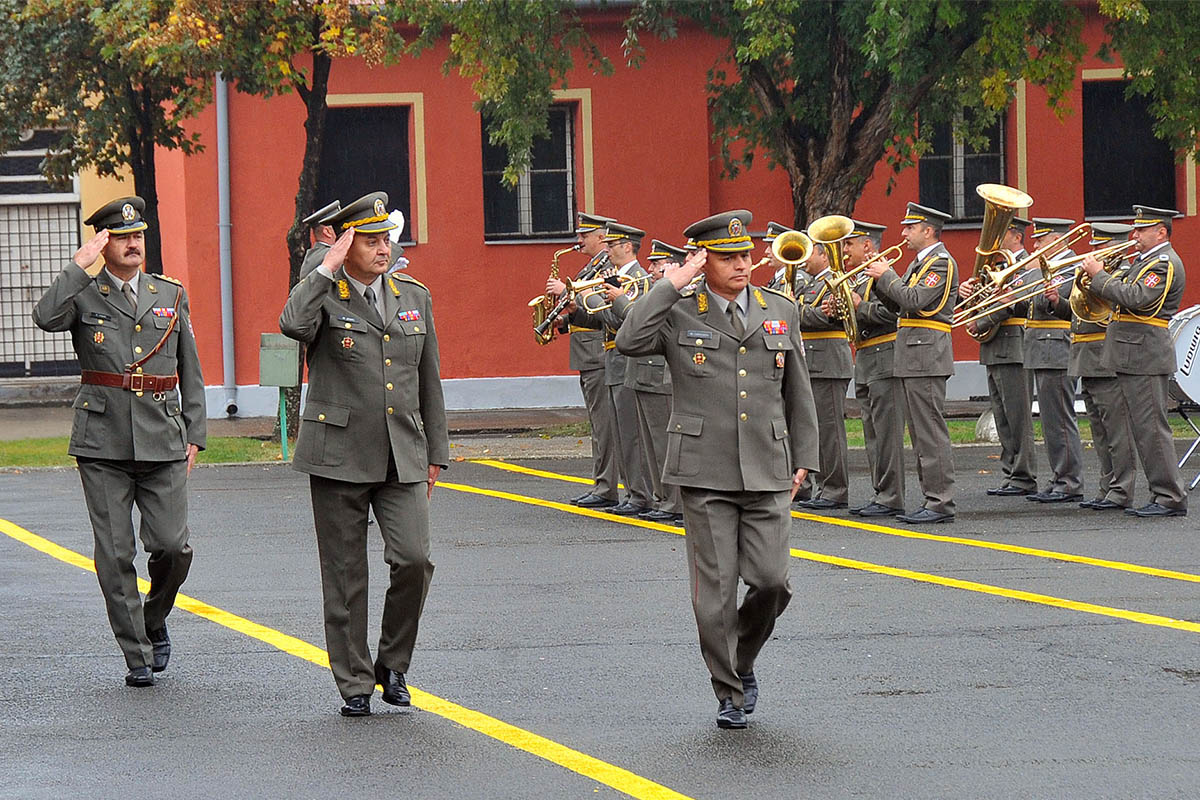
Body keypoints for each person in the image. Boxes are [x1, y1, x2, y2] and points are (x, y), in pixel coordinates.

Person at [616, 210, 819, 730]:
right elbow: (629, 340)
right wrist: (670, 284)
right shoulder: (681, 310)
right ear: (704, 261)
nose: (741, 265)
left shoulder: (780, 310)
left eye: (746, 256)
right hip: (704, 470)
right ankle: (728, 690)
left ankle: (743, 660)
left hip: (768, 466)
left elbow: (798, 389)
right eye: (728, 258)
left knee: (773, 583)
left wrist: (806, 458)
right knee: (715, 592)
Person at [280, 191, 450, 715]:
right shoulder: (324, 294)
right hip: (338, 452)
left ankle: (393, 663)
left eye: (387, 239)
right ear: (347, 244)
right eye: (371, 241)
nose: (383, 250)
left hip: (403, 452)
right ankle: (354, 682)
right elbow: (292, 325)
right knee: (346, 575)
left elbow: (429, 378)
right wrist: (325, 269)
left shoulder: (413, 296)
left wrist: (435, 452)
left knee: (415, 560)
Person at [32, 196, 206, 687]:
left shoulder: (169, 294)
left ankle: (153, 619)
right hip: (102, 441)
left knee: (174, 547)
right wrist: (76, 267)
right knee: (114, 552)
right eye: (122, 237)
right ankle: (137, 652)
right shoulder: (83, 293)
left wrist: (195, 431)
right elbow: (44, 317)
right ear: (104, 243)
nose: (134, 245)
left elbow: (188, 366)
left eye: (138, 236)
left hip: (162, 435)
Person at [1080, 205, 1187, 517]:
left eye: (1142, 229)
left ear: (1161, 232)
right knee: (1141, 429)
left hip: (1145, 353)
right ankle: (1159, 494)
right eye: (1135, 228)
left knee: (1152, 428)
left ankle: (1169, 496)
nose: (1134, 234)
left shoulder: (1163, 263)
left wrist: (1099, 275)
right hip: (1131, 353)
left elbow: (1138, 298)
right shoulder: (1143, 261)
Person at [865, 202, 958, 524]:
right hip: (913, 353)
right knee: (920, 434)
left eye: (910, 228)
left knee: (930, 431)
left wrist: (886, 275)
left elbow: (916, 300)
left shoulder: (940, 263)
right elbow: (898, 306)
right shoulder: (920, 263)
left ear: (927, 230)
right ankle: (932, 498)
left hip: (926, 354)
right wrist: (880, 282)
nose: (903, 233)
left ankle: (940, 501)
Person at [1046, 222, 1136, 511]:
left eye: (1100, 246)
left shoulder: (1119, 275)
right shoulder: (1095, 277)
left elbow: (1113, 305)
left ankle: (1122, 490)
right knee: (1099, 430)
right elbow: (1079, 317)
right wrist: (1056, 302)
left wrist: (1098, 275)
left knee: (1117, 430)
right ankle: (1107, 486)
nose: (1094, 252)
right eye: (1094, 246)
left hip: (1106, 359)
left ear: (1115, 247)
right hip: (1086, 358)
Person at [574, 221, 654, 516]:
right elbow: (605, 319)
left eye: (611, 245)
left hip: (626, 358)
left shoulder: (638, 280)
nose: (605, 250)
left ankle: (640, 494)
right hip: (613, 358)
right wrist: (579, 309)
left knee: (631, 433)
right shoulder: (618, 277)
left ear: (627, 247)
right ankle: (632, 491)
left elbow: (627, 321)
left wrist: (591, 298)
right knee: (621, 433)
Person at [960, 216, 1038, 497]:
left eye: (1001, 234)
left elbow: (1016, 302)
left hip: (1014, 344)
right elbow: (982, 301)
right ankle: (1011, 473)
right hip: (994, 345)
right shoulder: (996, 265)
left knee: (1018, 417)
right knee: (1002, 417)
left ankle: (1024, 475)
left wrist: (980, 321)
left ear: (1016, 237)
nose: (993, 239)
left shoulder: (1028, 265)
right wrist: (965, 294)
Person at [550, 212, 620, 509]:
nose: (578, 241)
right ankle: (602, 484)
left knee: (605, 426)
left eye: (584, 236)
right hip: (587, 352)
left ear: (600, 238)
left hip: (598, 353)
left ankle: (607, 488)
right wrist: (564, 320)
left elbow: (605, 310)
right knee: (598, 424)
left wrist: (566, 293)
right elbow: (586, 311)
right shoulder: (590, 267)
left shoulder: (607, 268)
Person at [839, 221, 906, 517]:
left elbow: (893, 313)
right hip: (866, 358)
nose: (843, 251)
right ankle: (882, 492)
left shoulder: (885, 275)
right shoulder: (859, 278)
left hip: (885, 355)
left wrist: (858, 305)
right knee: (872, 432)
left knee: (886, 433)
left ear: (867, 245)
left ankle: (892, 496)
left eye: (848, 244)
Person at [1023, 217, 1084, 503]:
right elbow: (1028, 303)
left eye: (1041, 240)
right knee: (1049, 420)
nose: (1034, 245)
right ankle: (1059, 476)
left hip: (1057, 349)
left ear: (1058, 240)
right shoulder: (1043, 267)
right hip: (1040, 349)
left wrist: (1049, 295)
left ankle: (1070, 481)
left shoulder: (1071, 266)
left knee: (1060, 417)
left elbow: (1063, 304)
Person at [624, 239, 686, 523]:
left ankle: (674, 501)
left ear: (673, 267)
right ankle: (661, 498)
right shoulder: (653, 291)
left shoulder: (681, 294)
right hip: (643, 372)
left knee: (665, 444)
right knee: (651, 446)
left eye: (657, 265)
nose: (650, 269)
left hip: (661, 375)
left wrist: (619, 301)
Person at [794, 235, 852, 511]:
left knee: (830, 431)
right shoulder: (812, 284)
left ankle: (835, 489)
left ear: (823, 255)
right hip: (814, 360)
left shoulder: (837, 280)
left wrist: (793, 308)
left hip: (828, 360)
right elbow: (812, 313)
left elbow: (826, 316)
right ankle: (823, 486)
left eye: (810, 253)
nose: (805, 260)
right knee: (816, 430)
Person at [298, 200, 341, 279]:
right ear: (327, 232)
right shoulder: (331, 255)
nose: (343, 230)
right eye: (339, 227)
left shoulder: (314, 254)